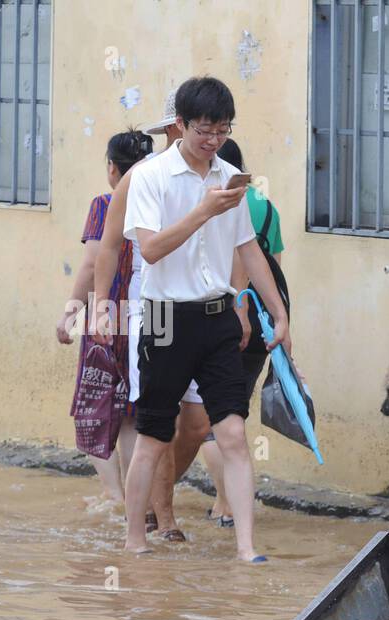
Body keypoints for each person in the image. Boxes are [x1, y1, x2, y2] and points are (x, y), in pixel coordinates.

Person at [120, 75, 289, 562]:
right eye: (204, 131)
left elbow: (248, 249)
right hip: (166, 320)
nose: (213, 141)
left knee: (232, 432)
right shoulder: (150, 177)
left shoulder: (228, 175)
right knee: (155, 434)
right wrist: (202, 211)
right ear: (180, 125)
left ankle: (246, 549)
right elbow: (149, 249)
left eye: (223, 130)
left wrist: (277, 312)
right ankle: (135, 541)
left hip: (217, 318)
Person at [91, 90, 195, 541]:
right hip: (154, 310)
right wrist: (99, 306)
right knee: (158, 415)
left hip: (202, 308)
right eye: (196, 127)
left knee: (203, 420)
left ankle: (156, 508)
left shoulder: (215, 174)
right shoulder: (141, 178)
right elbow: (108, 246)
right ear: (179, 127)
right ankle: (159, 519)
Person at [56, 129, 154, 506]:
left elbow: (92, 262)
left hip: (109, 316)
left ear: (113, 168)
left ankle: (114, 497)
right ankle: (135, 498)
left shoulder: (105, 203)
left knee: (92, 409)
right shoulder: (156, 202)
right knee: (132, 412)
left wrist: (70, 312)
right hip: (153, 316)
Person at [196, 138, 287, 526]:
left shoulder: (223, 203)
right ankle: (229, 504)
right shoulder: (267, 208)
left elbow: (236, 260)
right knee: (235, 412)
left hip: (225, 318)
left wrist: (239, 310)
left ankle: (226, 503)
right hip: (264, 320)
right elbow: (276, 268)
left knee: (209, 421)